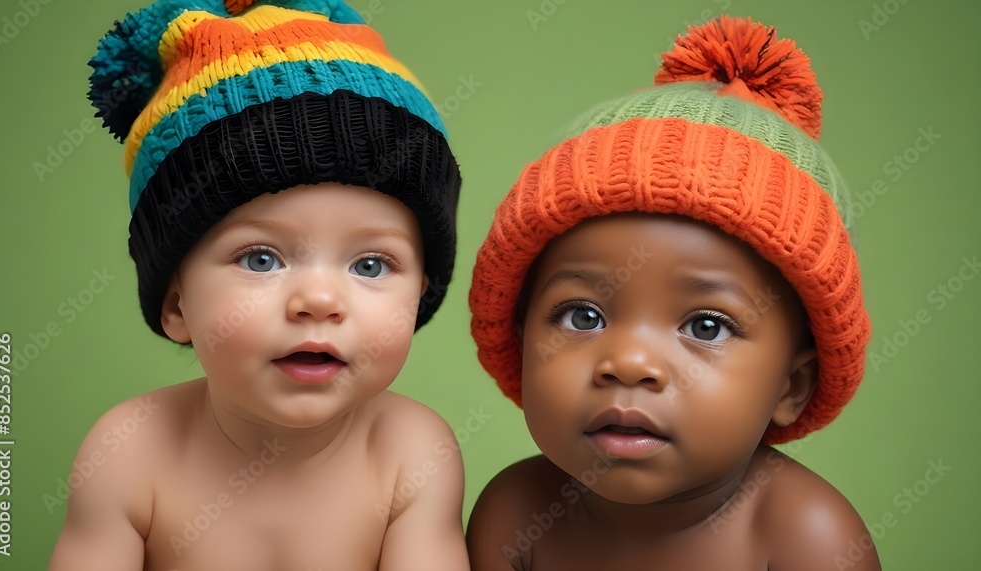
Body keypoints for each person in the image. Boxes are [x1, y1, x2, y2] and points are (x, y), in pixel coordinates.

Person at [49, 1, 469, 569]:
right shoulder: (131, 450)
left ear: (421, 293)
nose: (319, 301)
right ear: (176, 303)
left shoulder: (411, 452)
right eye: (261, 259)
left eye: (370, 265)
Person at [466, 15, 880, 570]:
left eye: (706, 326)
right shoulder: (515, 515)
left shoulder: (806, 538)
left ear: (792, 386)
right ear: (520, 344)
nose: (629, 363)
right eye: (582, 316)